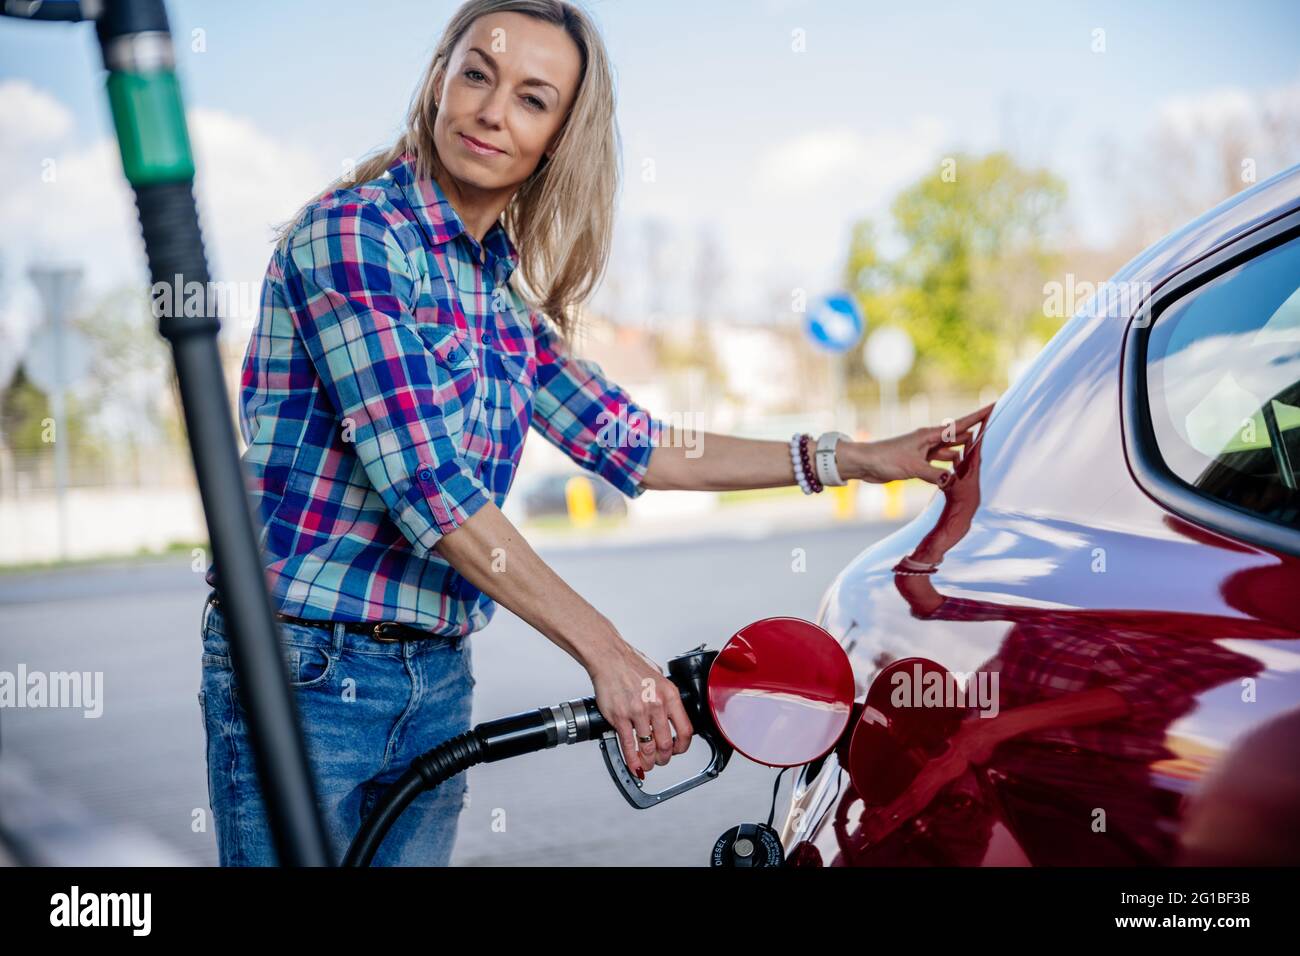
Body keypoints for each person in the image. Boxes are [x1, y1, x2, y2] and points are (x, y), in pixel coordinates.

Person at [197, 0, 983, 866]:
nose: (493, 112)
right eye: (477, 75)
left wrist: (851, 457)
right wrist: (613, 658)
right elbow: (435, 495)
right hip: (304, 671)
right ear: (437, 84)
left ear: (558, 138)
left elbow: (638, 444)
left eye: (533, 99)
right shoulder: (354, 239)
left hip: (436, 676)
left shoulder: (496, 302)